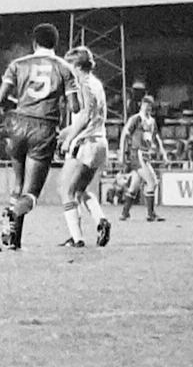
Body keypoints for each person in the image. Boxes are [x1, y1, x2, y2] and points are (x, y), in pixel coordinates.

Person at [0, 22, 78, 250]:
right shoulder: (64, 68)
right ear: (56, 44)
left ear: (34, 43)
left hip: (18, 124)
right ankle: (11, 213)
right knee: (30, 194)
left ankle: (14, 242)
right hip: (44, 128)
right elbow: (75, 106)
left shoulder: (17, 64)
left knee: (18, 185)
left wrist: (21, 103)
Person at [57, 46, 113, 248]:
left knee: (65, 190)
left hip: (85, 143)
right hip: (99, 142)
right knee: (80, 190)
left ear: (78, 66)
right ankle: (101, 220)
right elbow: (93, 117)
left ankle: (77, 238)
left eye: (70, 65)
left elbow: (84, 116)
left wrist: (69, 139)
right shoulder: (96, 84)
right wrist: (64, 132)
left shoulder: (82, 84)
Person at [118, 94, 166, 222]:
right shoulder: (136, 119)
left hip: (145, 154)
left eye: (149, 105)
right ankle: (150, 214)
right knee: (152, 182)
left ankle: (125, 213)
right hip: (137, 154)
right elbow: (125, 134)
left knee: (134, 185)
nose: (147, 107)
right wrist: (122, 152)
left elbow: (155, 136)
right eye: (145, 104)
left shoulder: (152, 121)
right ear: (141, 105)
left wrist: (161, 150)